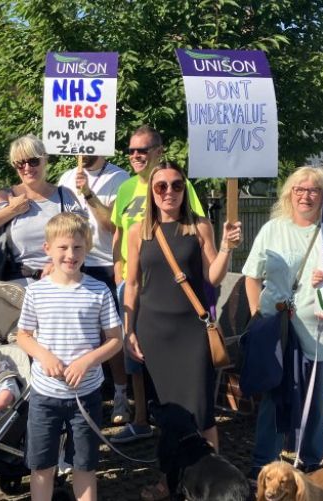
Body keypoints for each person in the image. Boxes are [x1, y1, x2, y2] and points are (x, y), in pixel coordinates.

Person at [123, 161, 242, 500]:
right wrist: (128, 329)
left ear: (184, 189)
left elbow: (213, 277)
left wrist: (226, 248)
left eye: (177, 185)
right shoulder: (138, 232)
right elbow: (131, 284)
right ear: (152, 191)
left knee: (202, 411)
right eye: (161, 186)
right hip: (153, 331)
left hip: (192, 331)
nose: (169, 192)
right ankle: (170, 481)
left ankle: (213, 481)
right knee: (169, 413)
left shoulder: (199, 226)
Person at [242, 166, 323, 478]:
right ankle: (264, 464)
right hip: (278, 330)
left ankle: (310, 464)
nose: (306, 195)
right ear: (289, 193)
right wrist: (256, 315)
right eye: (299, 189)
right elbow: (252, 275)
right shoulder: (273, 228)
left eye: (314, 190)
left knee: (316, 401)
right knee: (274, 397)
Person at [110, 125, 209, 444]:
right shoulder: (126, 189)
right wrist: (119, 273)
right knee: (137, 364)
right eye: (131, 151)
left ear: (158, 151)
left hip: (182, 300)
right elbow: (118, 232)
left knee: (197, 400)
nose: (136, 156)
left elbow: (200, 247)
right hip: (140, 287)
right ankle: (140, 418)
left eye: (142, 150)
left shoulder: (183, 189)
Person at [16, 213, 123, 501]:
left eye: (77, 248)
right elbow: (22, 335)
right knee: (42, 467)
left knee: (84, 466)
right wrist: (44, 356)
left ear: (86, 249)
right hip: (44, 395)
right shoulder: (36, 292)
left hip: (85, 395)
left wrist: (87, 361)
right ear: (47, 249)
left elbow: (115, 340)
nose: (70, 255)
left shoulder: (99, 290)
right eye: (63, 248)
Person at [59, 154, 132, 424]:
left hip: (104, 264)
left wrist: (88, 194)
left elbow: (113, 226)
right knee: (78, 333)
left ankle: (121, 395)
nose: (83, 150)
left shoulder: (119, 178)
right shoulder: (65, 178)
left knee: (110, 334)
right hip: (72, 263)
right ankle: (85, 398)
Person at [0, 135, 86, 284]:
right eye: (20, 163)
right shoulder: (6, 197)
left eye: (33, 161)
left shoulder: (64, 196)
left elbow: (85, 239)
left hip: (61, 283)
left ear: (45, 160)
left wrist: (59, 264)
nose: (27, 168)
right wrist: (10, 211)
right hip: (19, 288)